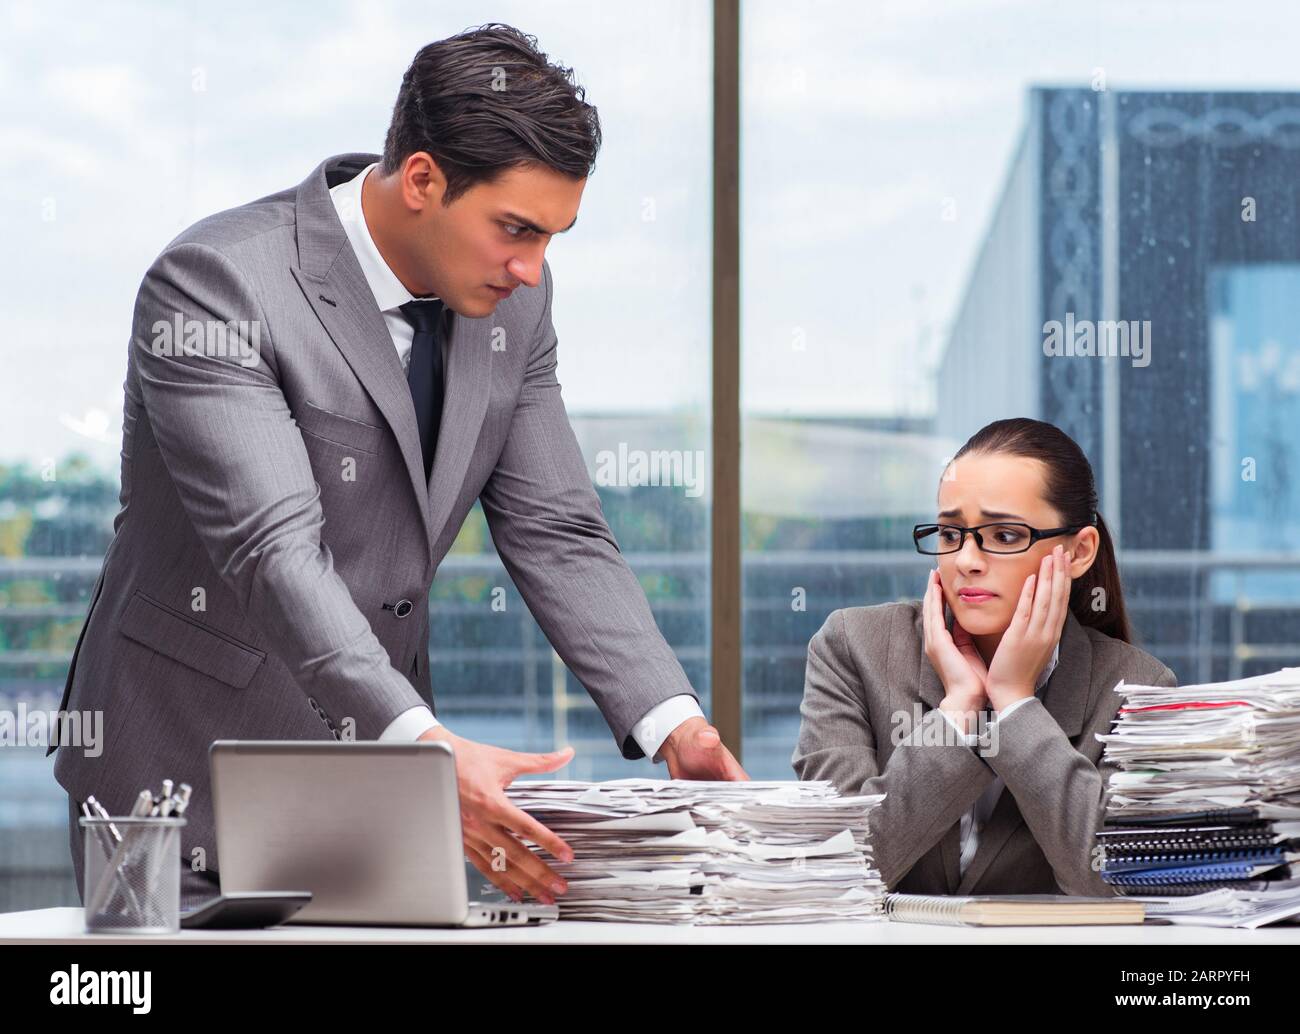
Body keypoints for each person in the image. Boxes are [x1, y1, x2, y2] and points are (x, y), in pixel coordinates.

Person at [51, 23, 746, 913]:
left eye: (553, 238)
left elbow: (557, 529)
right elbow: (275, 550)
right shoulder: (217, 285)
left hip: (382, 779)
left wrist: (673, 723)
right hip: (183, 778)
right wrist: (421, 745)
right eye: (516, 230)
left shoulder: (515, 309)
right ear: (422, 179)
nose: (533, 271)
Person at [791, 417, 1176, 896]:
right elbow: (835, 870)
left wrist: (1015, 703)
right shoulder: (852, 647)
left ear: (1079, 552)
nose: (967, 560)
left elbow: (1111, 879)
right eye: (951, 534)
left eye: (1005, 536)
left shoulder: (1138, 689)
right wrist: (958, 712)